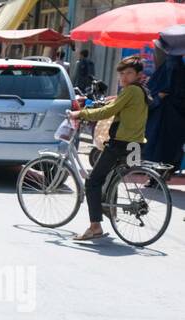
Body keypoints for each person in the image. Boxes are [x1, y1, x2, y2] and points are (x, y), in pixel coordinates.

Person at [69, 56, 150, 242]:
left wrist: (80, 113)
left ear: (138, 75)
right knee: (109, 178)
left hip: (121, 143)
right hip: (136, 143)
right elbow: (118, 106)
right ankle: (107, 205)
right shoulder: (142, 91)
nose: (124, 77)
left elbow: (107, 112)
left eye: (129, 73)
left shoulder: (130, 91)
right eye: (122, 73)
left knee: (92, 182)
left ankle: (94, 227)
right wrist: (113, 101)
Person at [144, 37, 185, 173]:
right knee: (165, 147)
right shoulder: (172, 69)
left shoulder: (169, 69)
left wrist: (158, 98)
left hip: (167, 117)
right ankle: (159, 174)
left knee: (162, 147)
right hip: (168, 117)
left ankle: (158, 174)